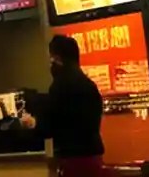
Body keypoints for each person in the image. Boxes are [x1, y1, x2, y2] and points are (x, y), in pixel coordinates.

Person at [19, 35, 105, 177]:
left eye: (51, 58)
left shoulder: (60, 86)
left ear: (57, 59)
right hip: (94, 156)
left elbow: (52, 126)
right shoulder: (90, 85)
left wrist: (33, 123)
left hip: (72, 160)